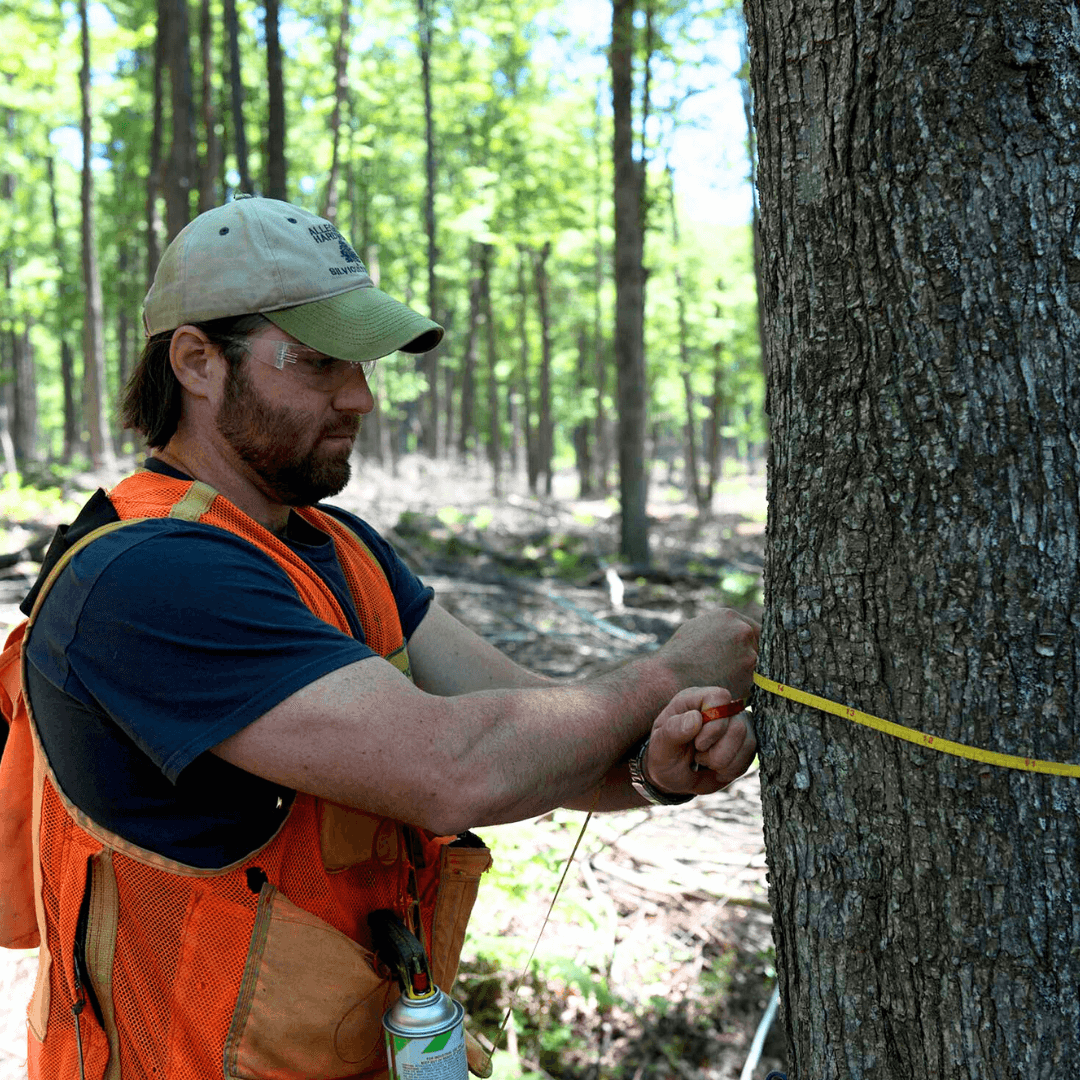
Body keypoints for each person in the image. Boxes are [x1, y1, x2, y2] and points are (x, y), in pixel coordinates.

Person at [13, 196, 758, 1080]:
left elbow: (523, 726)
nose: (360, 397)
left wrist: (649, 769)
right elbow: (454, 769)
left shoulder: (341, 548)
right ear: (197, 362)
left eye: (361, 365)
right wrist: (668, 670)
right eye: (320, 362)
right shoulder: (147, 578)